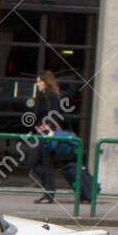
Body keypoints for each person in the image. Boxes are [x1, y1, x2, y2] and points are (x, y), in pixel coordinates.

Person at [26, 71, 78, 204]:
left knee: (45, 163)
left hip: (47, 134)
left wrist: (48, 127)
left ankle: (49, 193)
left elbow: (54, 114)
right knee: (33, 162)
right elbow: (36, 116)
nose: (38, 84)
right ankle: (49, 189)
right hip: (38, 134)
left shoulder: (53, 97)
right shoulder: (40, 96)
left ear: (46, 82)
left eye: (40, 81)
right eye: (37, 81)